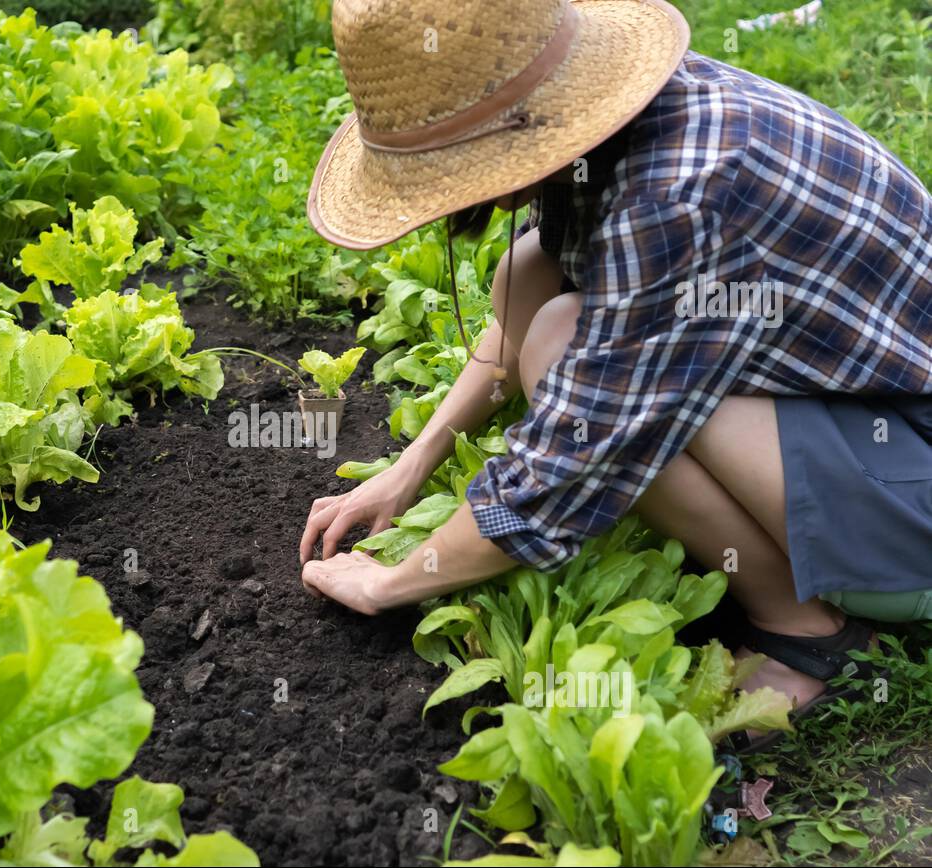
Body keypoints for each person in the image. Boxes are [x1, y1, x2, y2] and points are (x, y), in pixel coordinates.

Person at [298, 0, 932, 749]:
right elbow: (512, 330)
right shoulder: (620, 127)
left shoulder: (674, 195)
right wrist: (408, 469)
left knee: (566, 342)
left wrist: (394, 583)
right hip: (859, 426)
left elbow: (578, 455)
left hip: (913, 508)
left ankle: (806, 630)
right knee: (526, 270)